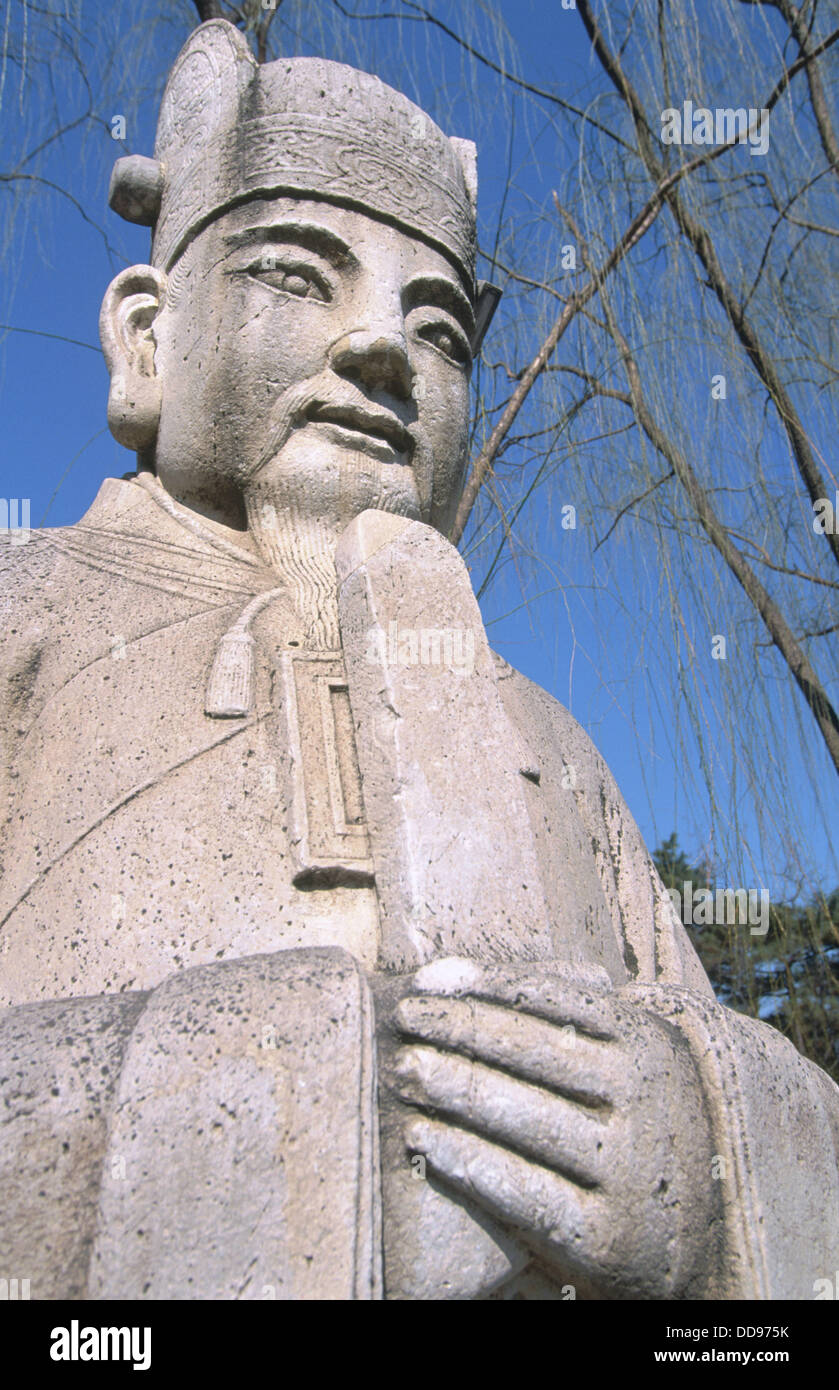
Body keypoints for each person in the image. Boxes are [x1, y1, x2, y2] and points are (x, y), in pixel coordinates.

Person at [0, 19, 836, 1300]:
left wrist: (701, 1147)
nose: (384, 346)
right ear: (147, 338)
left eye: (439, 327)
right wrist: (305, 1099)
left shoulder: (546, 742)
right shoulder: (28, 617)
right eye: (296, 274)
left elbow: (744, 1114)